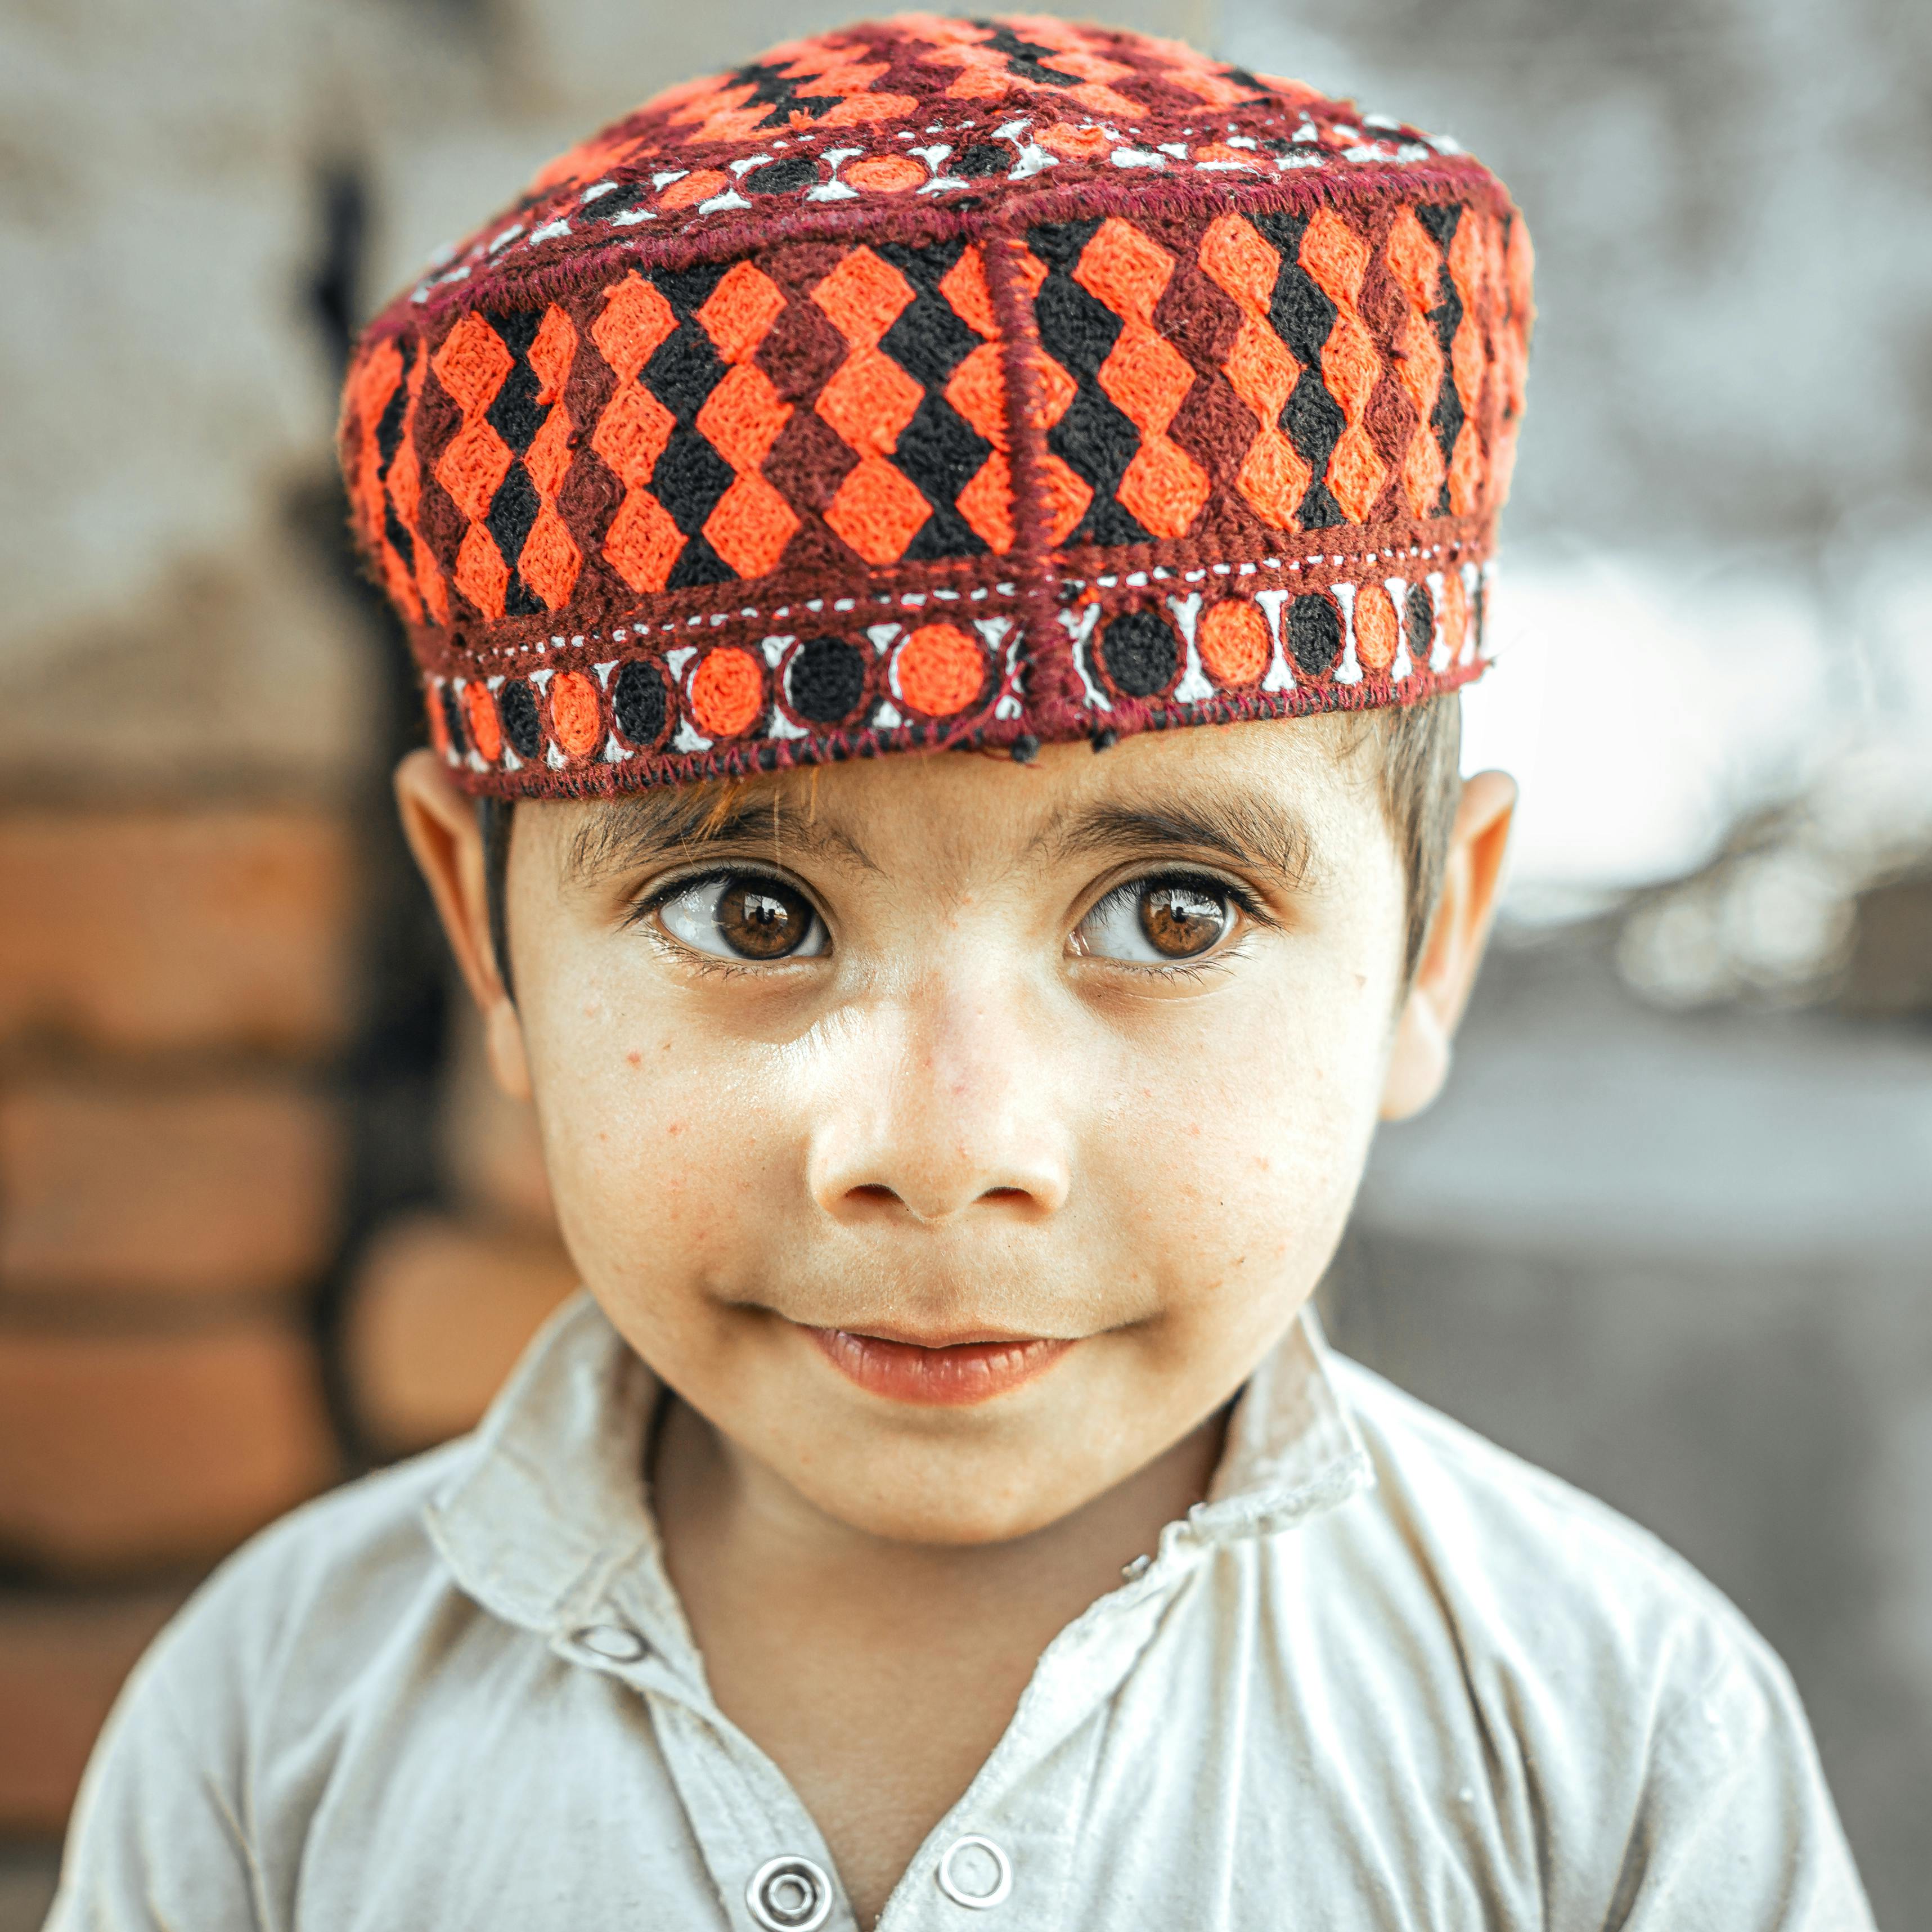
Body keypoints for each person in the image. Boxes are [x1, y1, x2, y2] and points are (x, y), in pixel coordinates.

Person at [47, 16, 1873, 1929]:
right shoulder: (277, 1732)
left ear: (1430, 948)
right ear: (480, 935)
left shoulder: (1609, 1745)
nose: (944, 1146)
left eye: (1169, 912)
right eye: (752, 913)